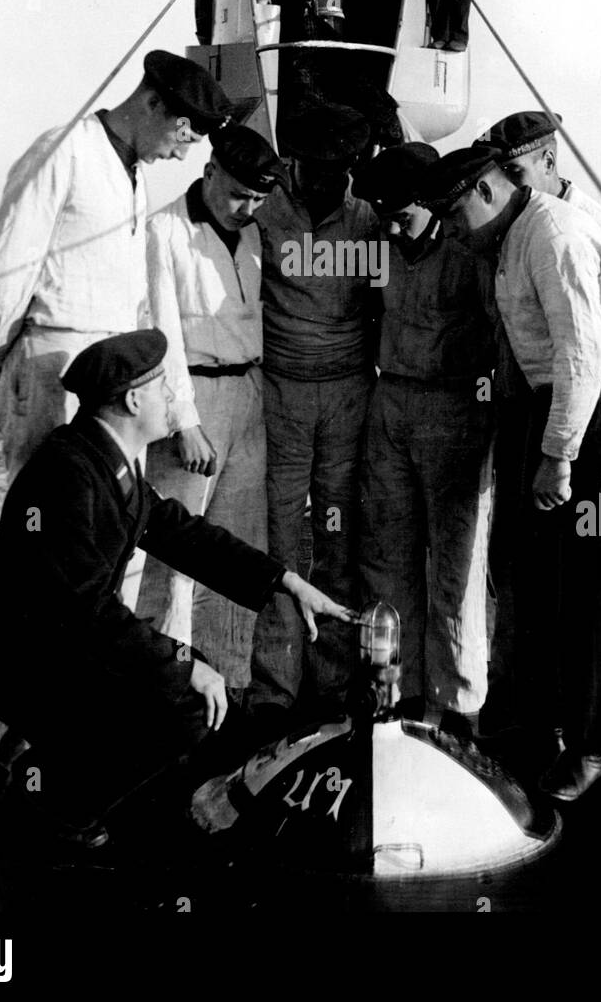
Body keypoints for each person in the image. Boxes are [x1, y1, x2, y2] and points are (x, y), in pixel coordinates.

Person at [0, 329, 354, 854]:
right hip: (29, 670)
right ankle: (53, 801)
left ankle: (65, 762)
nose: (172, 401)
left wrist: (282, 581)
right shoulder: (67, 477)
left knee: (201, 694)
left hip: (66, 649)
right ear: (133, 401)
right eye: (162, 390)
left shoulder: (105, 457)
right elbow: (85, 611)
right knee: (188, 705)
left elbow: (182, 534)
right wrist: (182, 666)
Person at [419, 146, 601, 800]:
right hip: (559, 413)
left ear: (486, 194)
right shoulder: (517, 232)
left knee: (593, 585)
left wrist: (557, 456)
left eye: (455, 213)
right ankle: (542, 715)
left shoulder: (552, 235)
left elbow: (584, 350)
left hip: (597, 425)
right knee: (535, 574)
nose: (455, 230)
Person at [0, 50, 237, 484]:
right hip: (52, 366)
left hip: (113, 377)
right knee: (48, 509)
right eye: (183, 137)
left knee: (108, 513)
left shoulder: (135, 178)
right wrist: (5, 351)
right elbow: (9, 263)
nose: (180, 156)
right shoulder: (64, 150)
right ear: (152, 104)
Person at [136, 124, 288, 694]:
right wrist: (184, 421)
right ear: (209, 171)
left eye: (258, 200)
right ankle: (164, 693)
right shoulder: (164, 232)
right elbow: (162, 333)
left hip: (251, 396)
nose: (246, 209)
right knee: (172, 561)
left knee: (239, 553)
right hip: (193, 405)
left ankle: (230, 687)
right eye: (238, 195)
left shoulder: (252, 236)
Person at [247, 102, 380, 735]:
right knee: (281, 536)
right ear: (295, 161)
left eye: (340, 168)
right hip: (284, 394)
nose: (329, 179)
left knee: (336, 533)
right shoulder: (266, 214)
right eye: (317, 167)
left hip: (348, 396)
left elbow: (387, 303)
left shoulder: (370, 221)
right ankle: (274, 686)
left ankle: (330, 680)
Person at [353, 144, 495, 739]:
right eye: (381, 212)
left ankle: (460, 706)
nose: (388, 224)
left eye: (401, 213)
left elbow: (498, 333)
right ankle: (400, 694)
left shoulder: (468, 253)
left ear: (431, 203)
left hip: (453, 410)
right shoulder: (376, 250)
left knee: (455, 568)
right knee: (387, 558)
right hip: (390, 405)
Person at [475, 110, 601, 378]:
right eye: (499, 178)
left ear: (548, 162)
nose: (508, 188)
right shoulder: (512, 225)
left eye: (514, 172)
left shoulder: (595, 228)